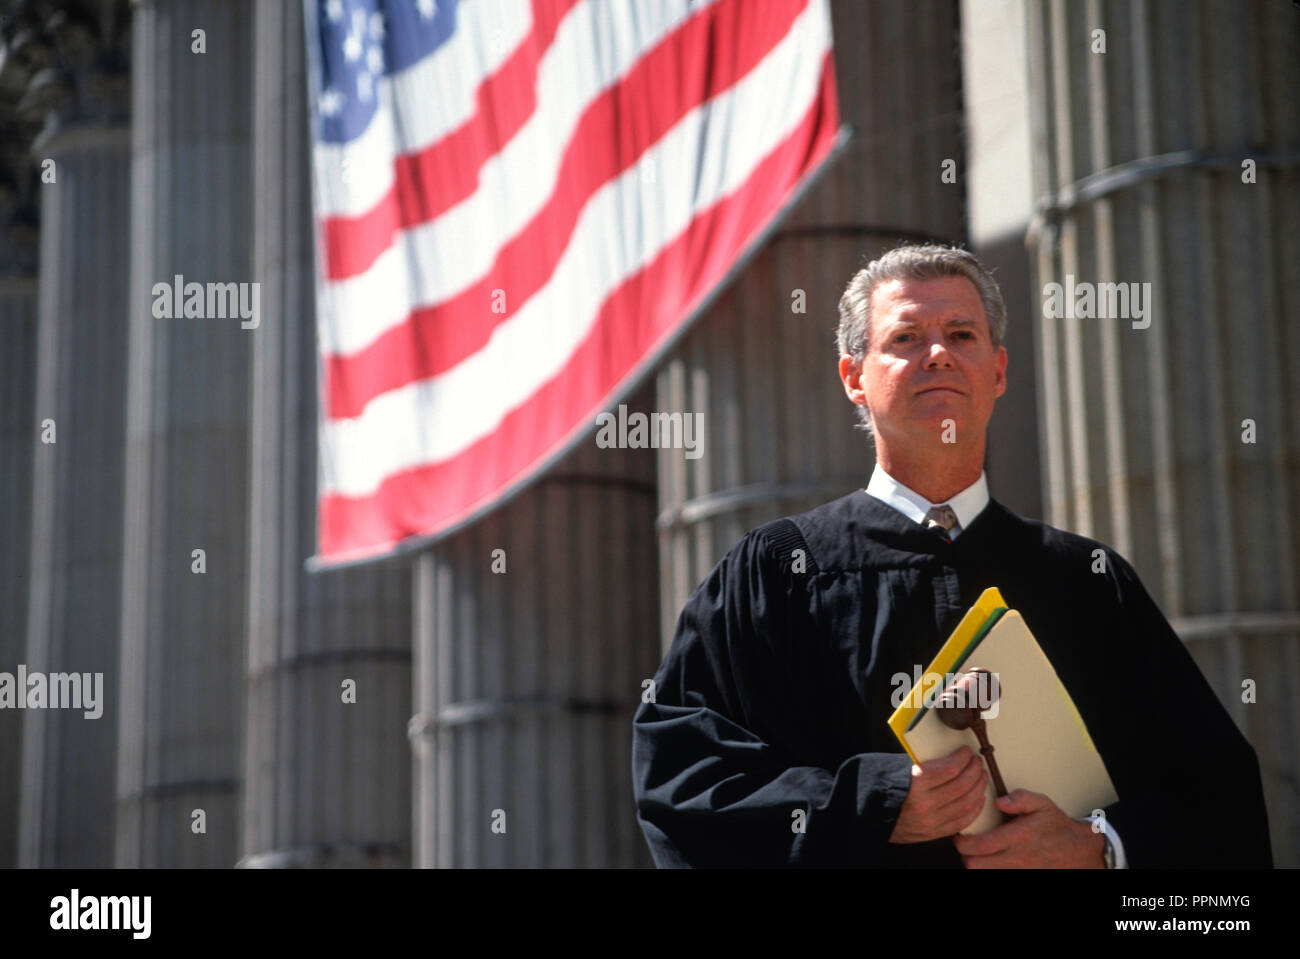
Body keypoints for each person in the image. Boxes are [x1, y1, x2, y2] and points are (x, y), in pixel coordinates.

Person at [631, 244, 1272, 868]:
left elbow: (1220, 805)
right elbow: (682, 782)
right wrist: (870, 806)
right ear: (854, 377)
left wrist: (1098, 848)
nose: (937, 354)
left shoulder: (1088, 582)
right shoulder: (777, 571)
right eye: (906, 338)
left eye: (962, 335)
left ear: (997, 371)